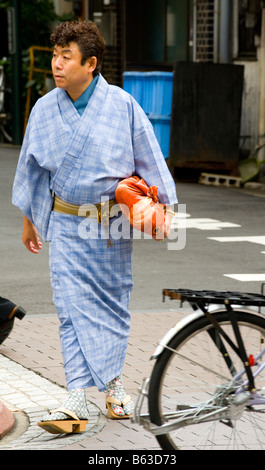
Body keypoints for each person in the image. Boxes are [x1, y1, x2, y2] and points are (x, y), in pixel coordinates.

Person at [12, 20, 178, 433]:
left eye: (66, 57)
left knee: (112, 306)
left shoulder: (122, 105)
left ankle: (114, 384)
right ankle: (75, 398)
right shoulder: (44, 109)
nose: (56, 64)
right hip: (67, 220)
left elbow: (150, 159)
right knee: (69, 309)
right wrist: (30, 220)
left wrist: (168, 209)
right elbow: (30, 169)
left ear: (91, 63)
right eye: (55, 55)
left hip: (111, 224)